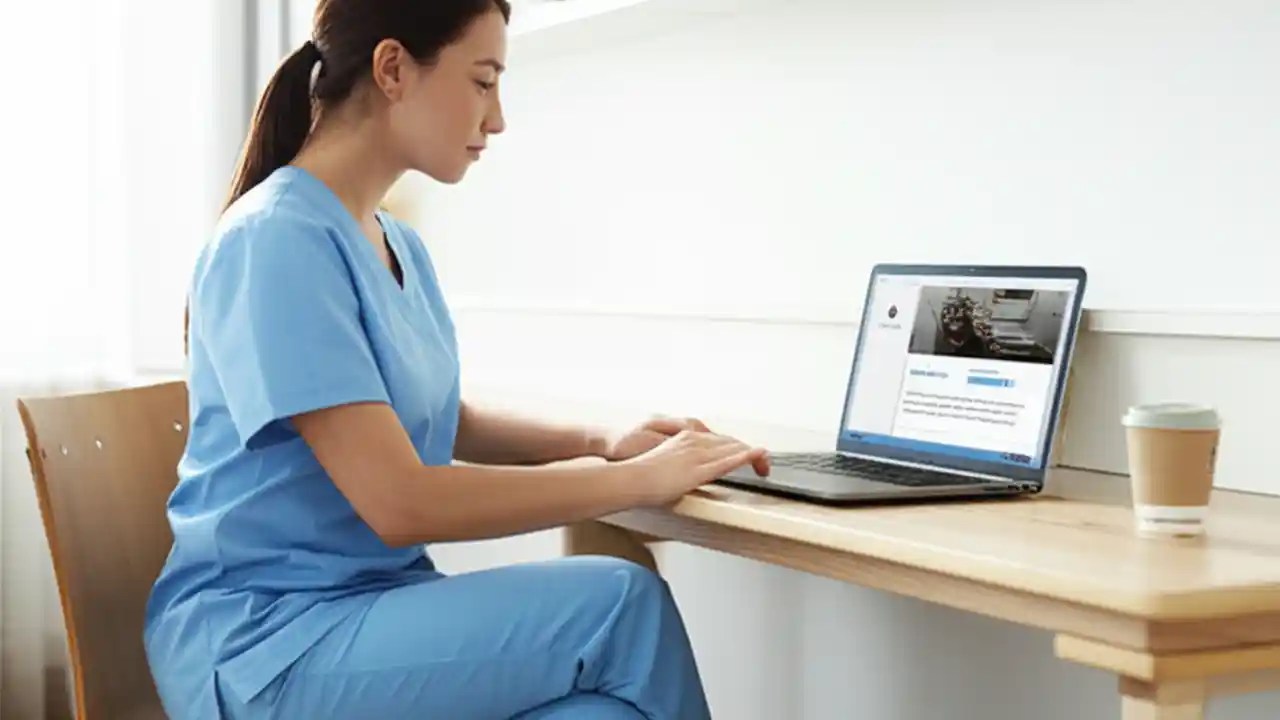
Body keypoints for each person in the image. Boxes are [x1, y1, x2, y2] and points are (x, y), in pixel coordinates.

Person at [142, 1, 771, 718]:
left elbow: (447, 418)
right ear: (392, 70)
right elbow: (400, 500)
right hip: (267, 644)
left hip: (368, 611)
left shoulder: (396, 245)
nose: (497, 118)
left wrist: (604, 440)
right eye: (483, 81)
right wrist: (627, 480)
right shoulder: (275, 240)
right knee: (622, 604)